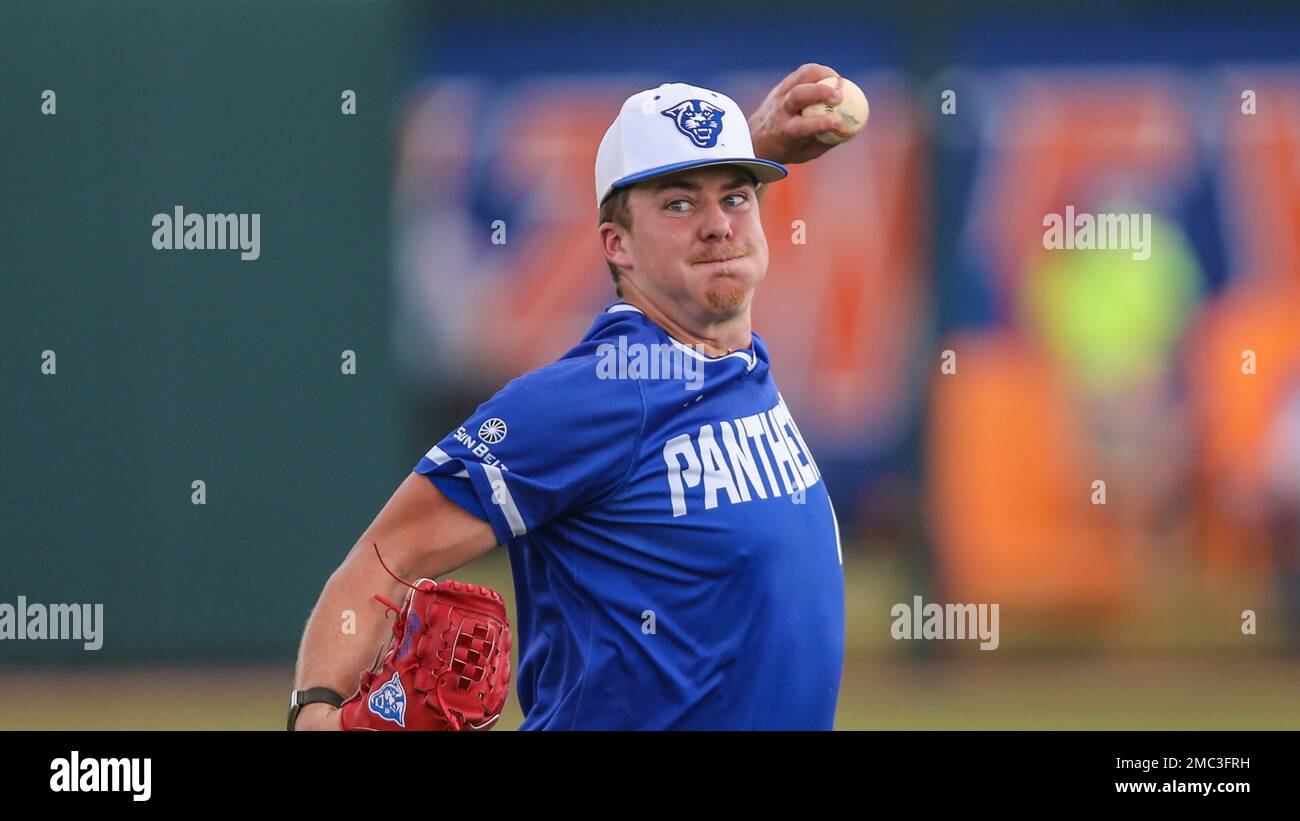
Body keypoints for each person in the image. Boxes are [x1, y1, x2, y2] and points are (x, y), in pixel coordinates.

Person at [292, 64, 851, 730]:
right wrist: (316, 715)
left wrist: (733, 146)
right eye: (678, 203)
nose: (718, 225)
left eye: (736, 197)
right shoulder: (596, 396)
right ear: (617, 245)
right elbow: (379, 560)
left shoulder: (732, 359)